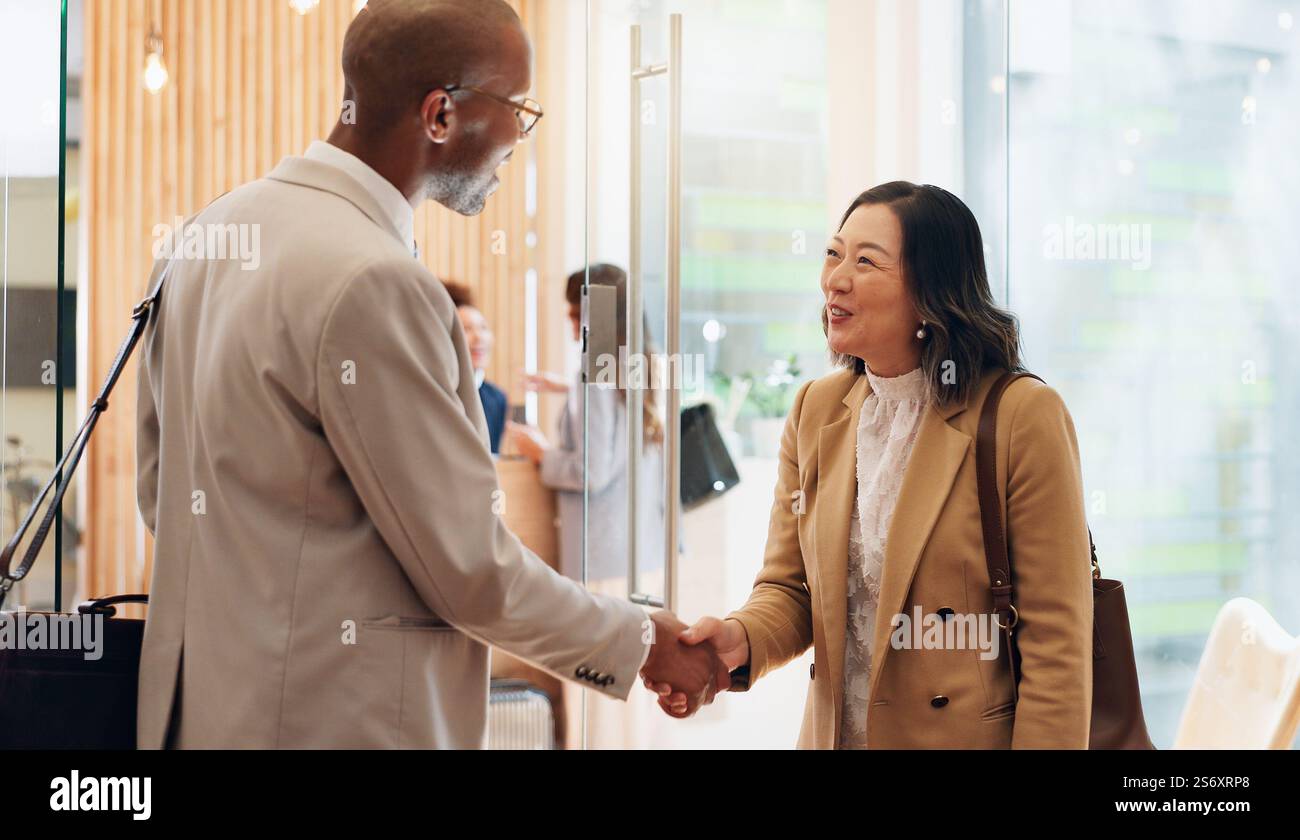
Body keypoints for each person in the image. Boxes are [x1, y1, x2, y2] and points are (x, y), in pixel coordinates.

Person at [134, 0, 724, 749]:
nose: (522, 137)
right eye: (519, 108)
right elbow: (468, 568)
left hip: (200, 717)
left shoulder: (201, 238)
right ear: (440, 113)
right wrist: (643, 640)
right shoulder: (375, 281)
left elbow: (162, 497)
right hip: (332, 723)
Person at [648, 182, 1093, 748]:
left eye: (866, 262)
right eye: (834, 254)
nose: (835, 278)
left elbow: (1058, 646)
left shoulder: (1021, 415)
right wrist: (738, 638)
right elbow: (791, 590)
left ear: (932, 293)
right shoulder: (816, 410)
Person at [509, 265, 666, 587]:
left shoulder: (594, 368)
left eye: (573, 311)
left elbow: (591, 472)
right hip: (639, 550)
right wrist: (569, 389)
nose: (570, 320)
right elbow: (621, 419)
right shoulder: (643, 360)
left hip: (600, 558)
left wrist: (541, 454)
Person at [443, 281, 507, 454]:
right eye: (467, 329)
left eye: (483, 328)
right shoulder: (441, 394)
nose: (479, 337)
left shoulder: (497, 398)